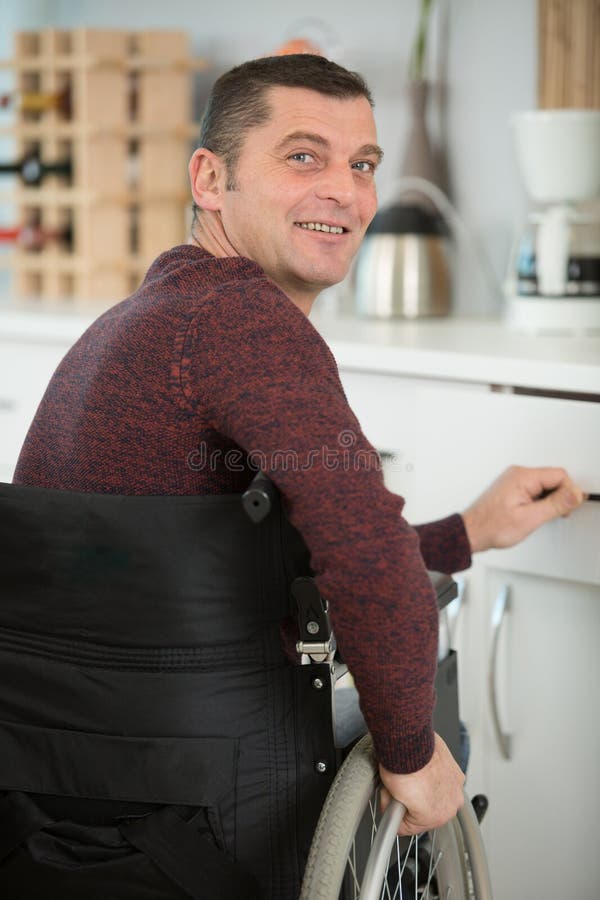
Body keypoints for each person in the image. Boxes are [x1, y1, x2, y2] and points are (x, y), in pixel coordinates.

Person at [9, 54, 586, 897]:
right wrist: (413, 755)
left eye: (362, 165)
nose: (346, 193)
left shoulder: (138, 321)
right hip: (210, 814)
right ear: (211, 178)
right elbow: (367, 563)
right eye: (303, 157)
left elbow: (212, 578)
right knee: (426, 704)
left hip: (66, 806)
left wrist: (463, 535)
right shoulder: (243, 318)